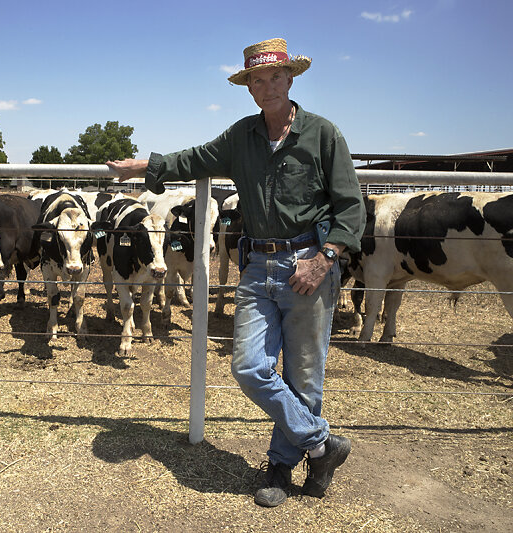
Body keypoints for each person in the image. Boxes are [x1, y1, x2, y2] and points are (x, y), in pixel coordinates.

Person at [106, 38, 365, 507]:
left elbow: (351, 206)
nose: (266, 88)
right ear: (248, 88)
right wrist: (147, 165)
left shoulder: (323, 134)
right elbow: (193, 159)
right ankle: (322, 445)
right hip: (257, 265)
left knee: (305, 374)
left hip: (308, 263)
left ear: (291, 79)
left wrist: (325, 257)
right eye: (257, 80)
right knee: (249, 367)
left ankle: (281, 468)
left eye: (274, 78)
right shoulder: (240, 136)